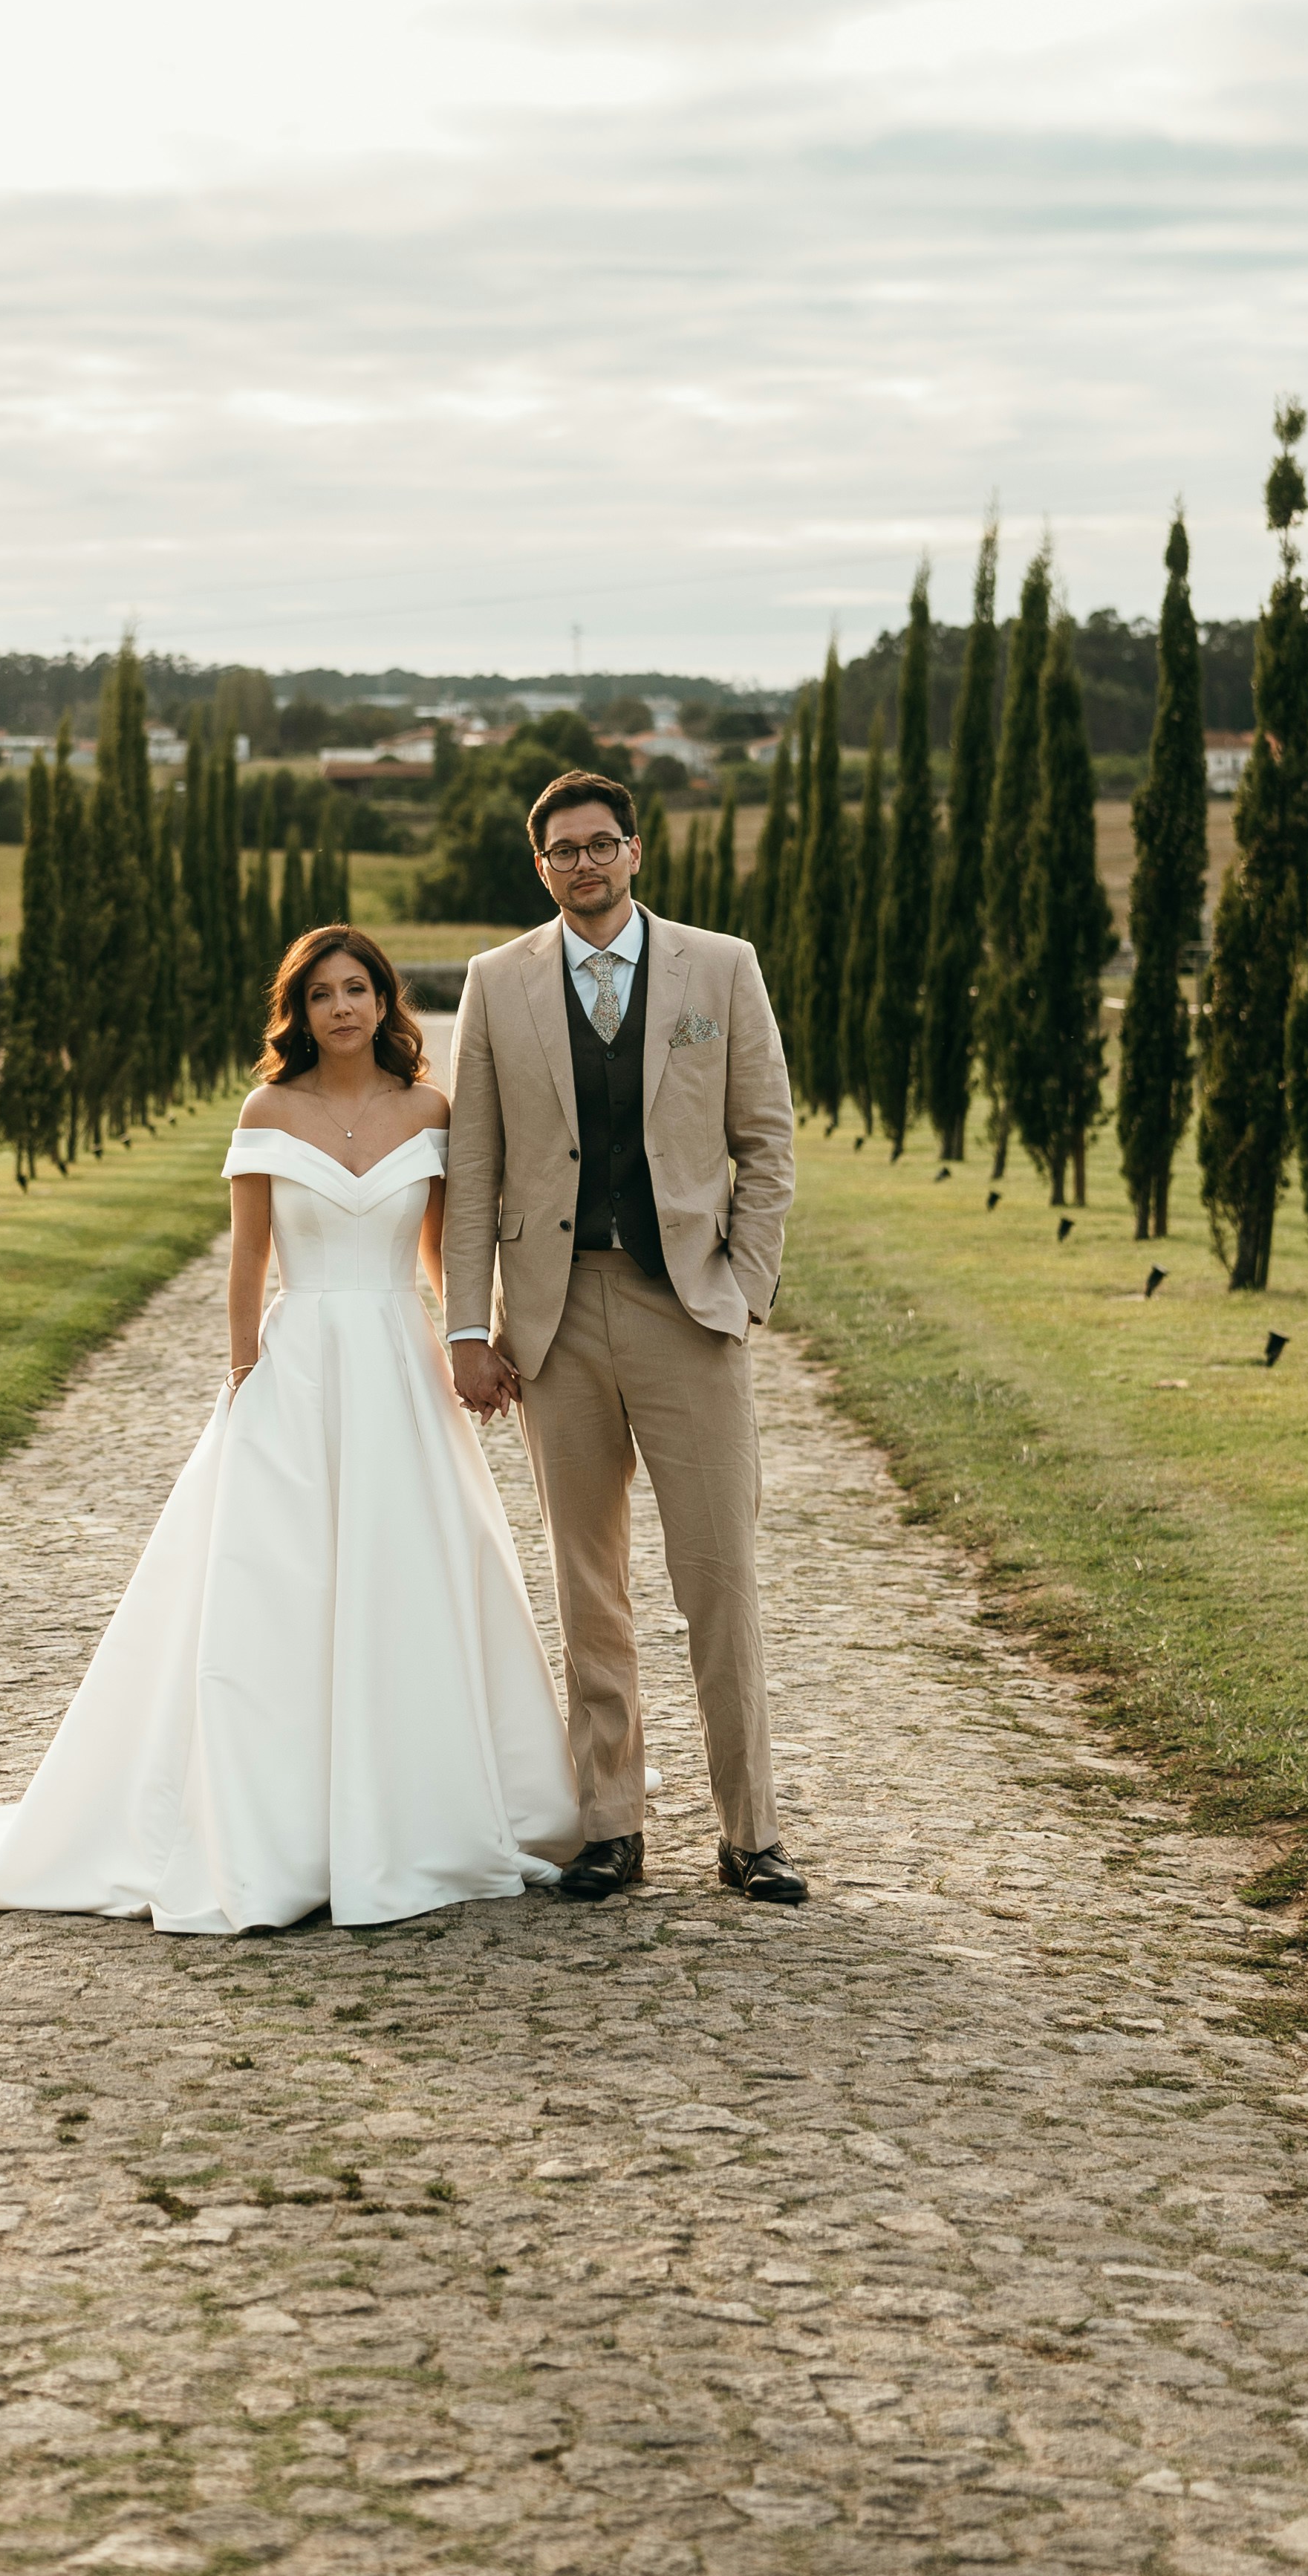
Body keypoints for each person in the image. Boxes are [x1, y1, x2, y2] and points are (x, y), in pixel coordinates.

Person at [0, 925, 576, 1931]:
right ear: (300, 1011)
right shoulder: (267, 1111)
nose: (342, 1008)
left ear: (385, 1001)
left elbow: (439, 1248)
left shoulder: (429, 1110)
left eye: (358, 988)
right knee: (275, 1586)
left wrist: (470, 1340)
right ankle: (270, 1824)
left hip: (397, 1370)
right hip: (300, 1367)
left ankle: (416, 1810)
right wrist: (246, 1374)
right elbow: (248, 1265)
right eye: (322, 993)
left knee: (410, 1573)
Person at [440, 767, 804, 1904]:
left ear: (636, 853)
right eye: (564, 851)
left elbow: (767, 1141)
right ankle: (611, 1825)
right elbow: (476, 1171)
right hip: (553, 1321)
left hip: (685, 1311)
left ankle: (752, 1834)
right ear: (539, 866)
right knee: (587, 1583)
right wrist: (467, 1326)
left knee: (719, 1579)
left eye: (603, 845)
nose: (585, 864)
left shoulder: (721, 968)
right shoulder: (497, 984)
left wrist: (743, 1289)